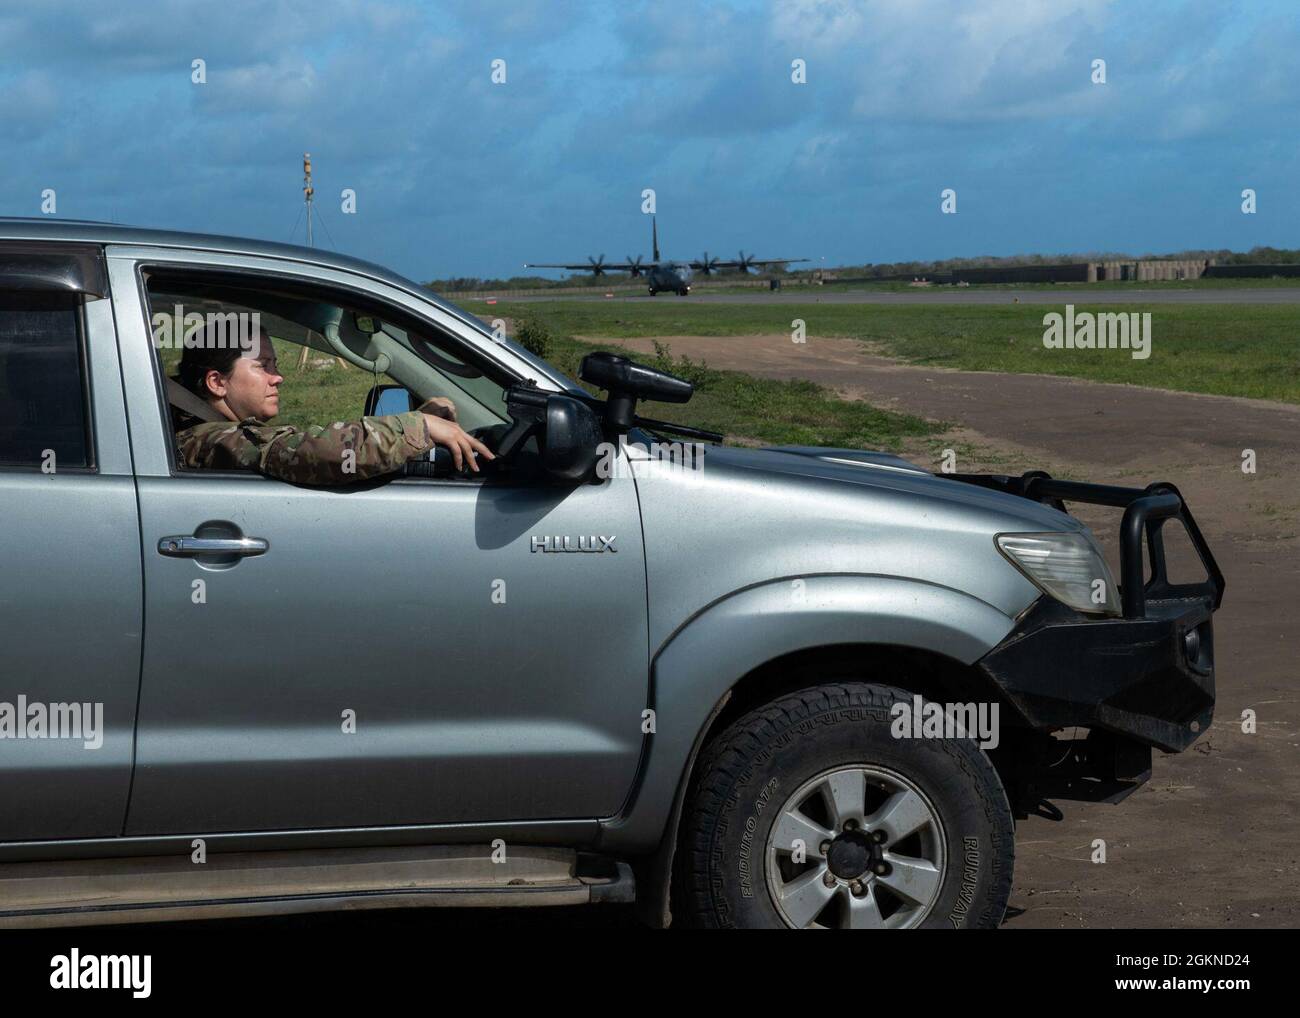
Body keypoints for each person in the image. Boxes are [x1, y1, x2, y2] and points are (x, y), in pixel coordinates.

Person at [170, 323, 494, 485]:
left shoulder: (205, 432)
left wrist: (417, 421)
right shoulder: (207, 439)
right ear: (217, 382)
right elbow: (306, 449)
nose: (278, 377)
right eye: (263, 366)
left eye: (276, 365)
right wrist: (416, 427)